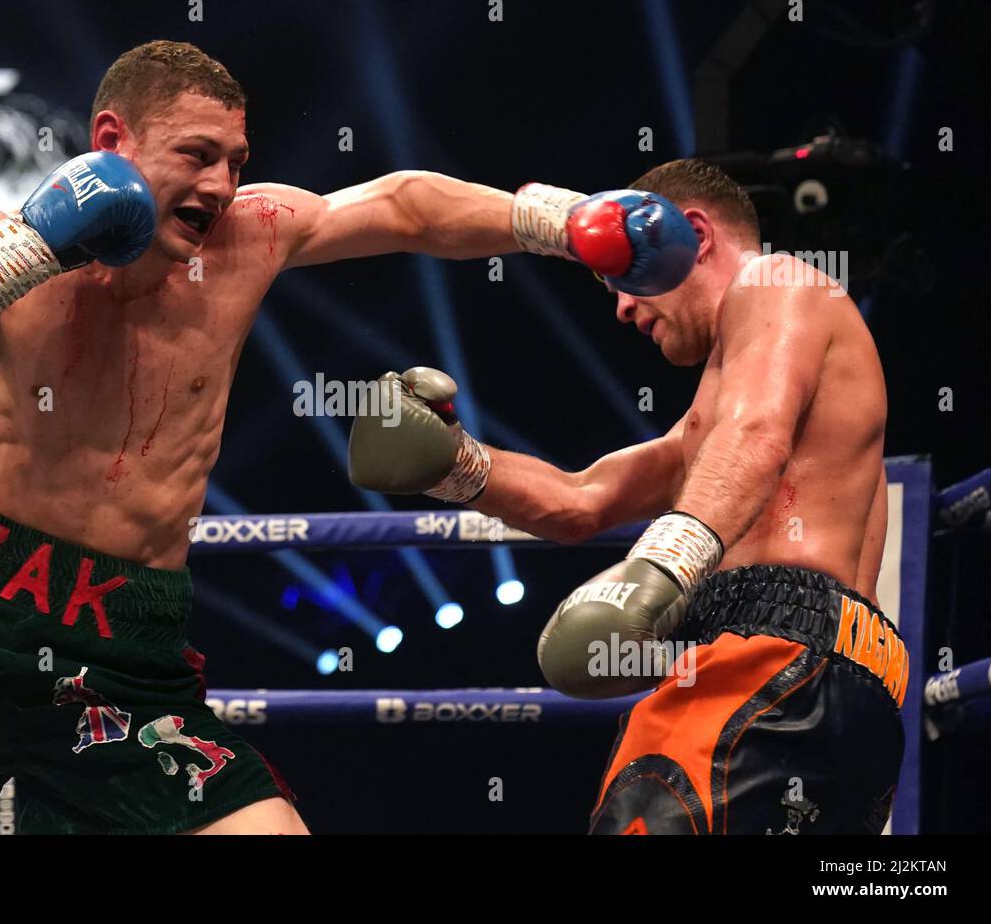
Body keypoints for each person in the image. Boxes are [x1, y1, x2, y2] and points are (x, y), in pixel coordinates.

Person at [0, 40, 694, 835]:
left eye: (236, 158)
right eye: (197, 154)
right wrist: (33, 245)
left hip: (132, 646)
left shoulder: (247, 238)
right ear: (111, 142)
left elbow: (404, 206)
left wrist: (569, 221)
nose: (224, 183)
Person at [350, 158, 904, 834]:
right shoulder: (717, 422)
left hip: (771, 661)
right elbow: (583, 500)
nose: (620, 305)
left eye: (626, 277)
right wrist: (453, 464)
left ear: (694, 233)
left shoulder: (777, 281)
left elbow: (756, 434)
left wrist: (662, 567)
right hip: (856, 685)